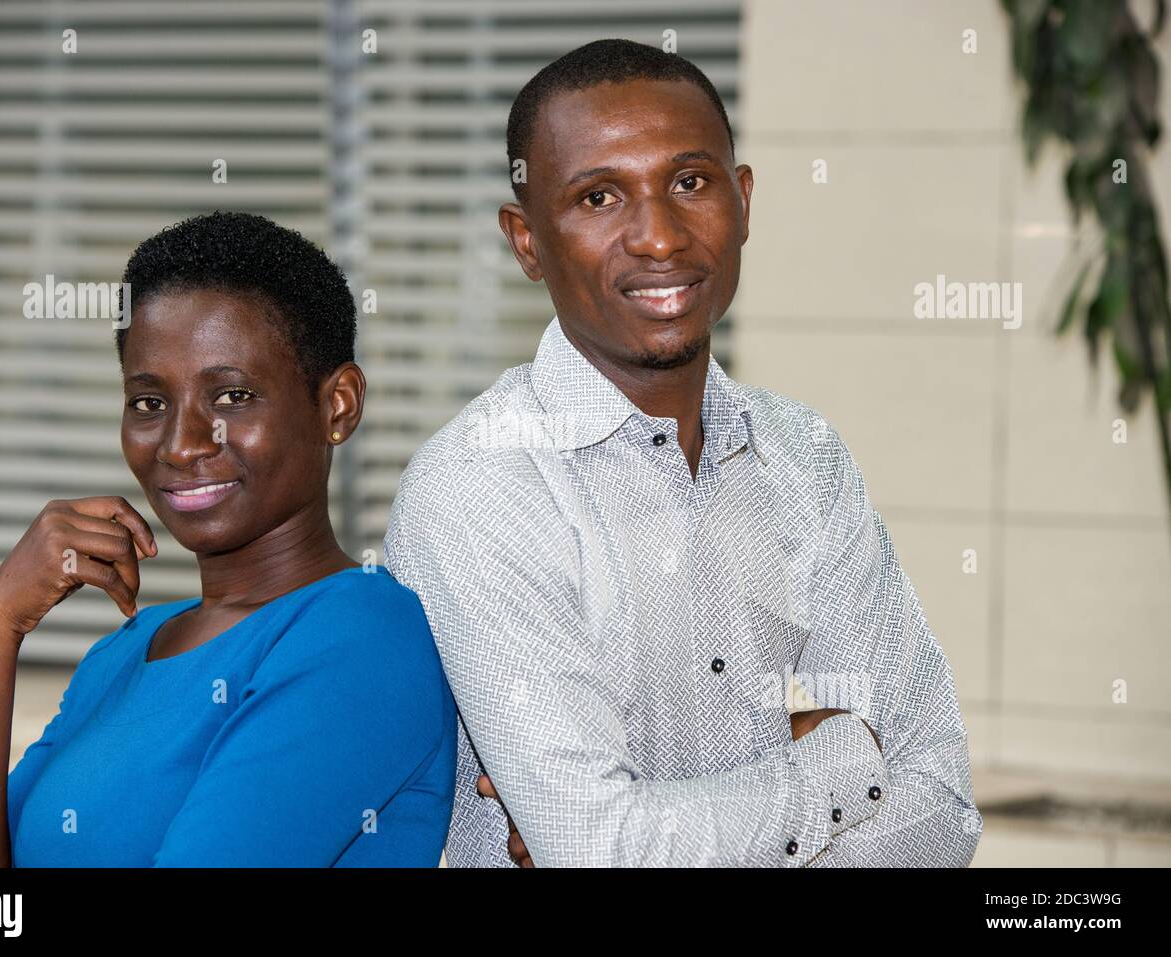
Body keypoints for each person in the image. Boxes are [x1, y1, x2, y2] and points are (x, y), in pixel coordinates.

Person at [384, 39, 982, 867]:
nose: (659, 237)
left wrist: (652, 823)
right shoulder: (480, 486)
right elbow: (598, 847)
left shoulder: (805, 460)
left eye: (690, 183)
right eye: (599, 196)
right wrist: (845, 758)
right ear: (526, 242)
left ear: (741, 202)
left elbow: (943, 807)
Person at [0, 211, 456, 867]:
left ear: (337, 405)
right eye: (148, 402)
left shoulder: (361, 636)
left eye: (232, 395)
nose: (183, 442)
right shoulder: (125, 652)